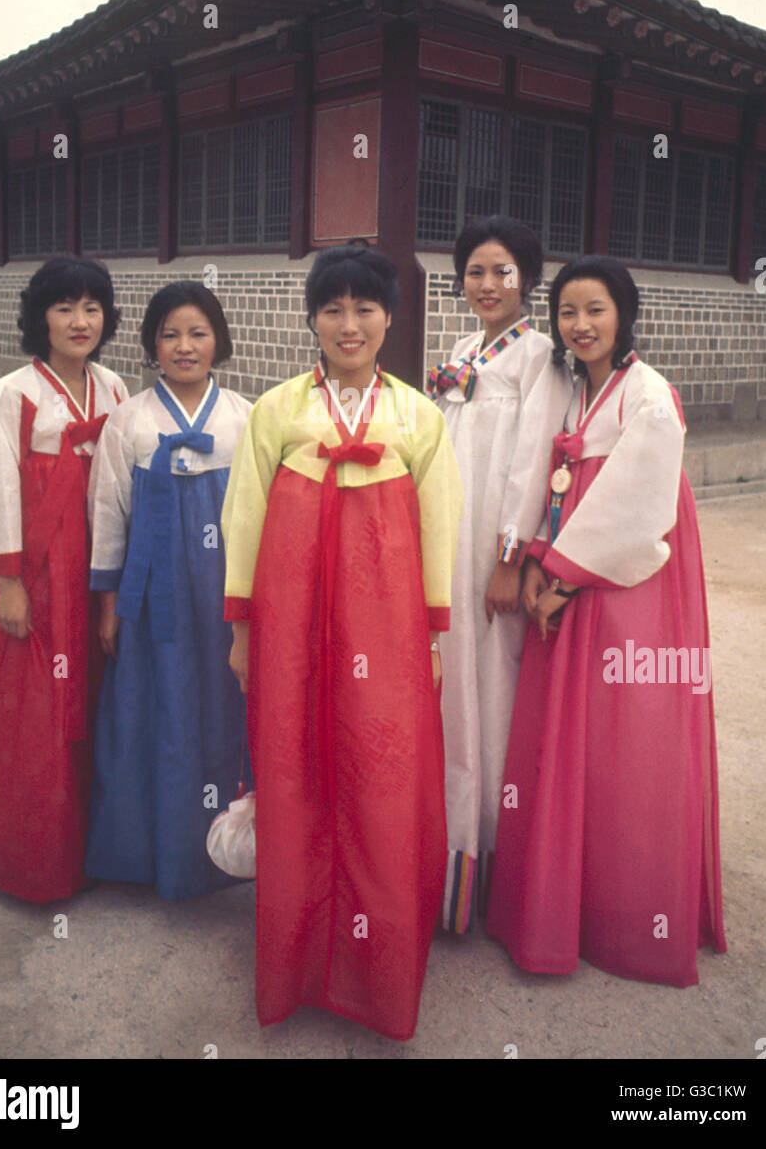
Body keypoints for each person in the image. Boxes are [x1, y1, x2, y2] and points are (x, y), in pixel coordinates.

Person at [221, 244, 462, 1041]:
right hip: (292, 624)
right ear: (313, 320)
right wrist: (244, 627)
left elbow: (440, 526)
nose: (349, 325)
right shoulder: (280, 409)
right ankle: (296, 966)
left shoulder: (418, 416)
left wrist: (431, 630)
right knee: (293, 765)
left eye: (365, 309)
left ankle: (374, 971)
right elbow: (246, 517)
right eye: (333, 309)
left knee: (380, 771)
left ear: (391, 317)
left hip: (385, 625)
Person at [486, 256, 727, 986]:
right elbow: (550, 480)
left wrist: (561, 576)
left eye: (596, 310)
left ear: (623, 314)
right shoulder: (574, 393)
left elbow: (636, 506)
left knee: (626, 733)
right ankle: (561, 899)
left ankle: (624, 913)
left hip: (627, 583)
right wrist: (534, 556)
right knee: (569, 730)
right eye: (567, 313)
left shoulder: (648, 394)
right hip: (569, 560)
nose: (581, 325)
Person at [0, 256, 127, 902]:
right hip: (34, 565)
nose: (79, 321)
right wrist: (9, 578)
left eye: (92, 307)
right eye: (64, 307)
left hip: (92, 563)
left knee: (92, 698)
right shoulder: (14, 393)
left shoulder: (114, 388)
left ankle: (92, 853)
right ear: (41, 318)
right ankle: (32, 866)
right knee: (31, 710)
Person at [427, 217, 574, 933]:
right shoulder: (460, 349)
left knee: (491, 694)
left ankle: (485, 865)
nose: (488, 285)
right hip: (446, 542)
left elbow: (535, 464)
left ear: (528, 279)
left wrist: (511, 560)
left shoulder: (539, 355)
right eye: (476, 272)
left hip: (491, 551)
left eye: (503, 271)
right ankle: (443, 849)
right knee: (451, 687)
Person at [86, 282, 252, 900]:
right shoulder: (128, 420)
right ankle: (153, 852)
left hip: (221, 588)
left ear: (219, 341)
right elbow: (108, 512)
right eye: (170, 334)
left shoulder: (244, 416)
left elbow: (260, 512)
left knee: (219, 702)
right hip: (154, 589)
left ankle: (223, 852)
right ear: (153, 344)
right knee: (152, 708)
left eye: (198, 333)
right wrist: (109, 602)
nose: (185, 346)